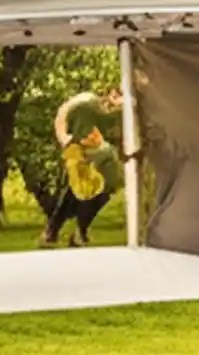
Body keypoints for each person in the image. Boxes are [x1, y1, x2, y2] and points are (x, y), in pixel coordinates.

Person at [40, 88, 134, 247]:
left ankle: (67, 231)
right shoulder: (88, 105)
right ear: (110, 94)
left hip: (101, 158)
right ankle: (61, 231)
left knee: (96, 191)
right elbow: (67, 117)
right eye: (118, 95)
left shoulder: (121, 113)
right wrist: (65, 138)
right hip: (83, 151)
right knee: (81, 190)